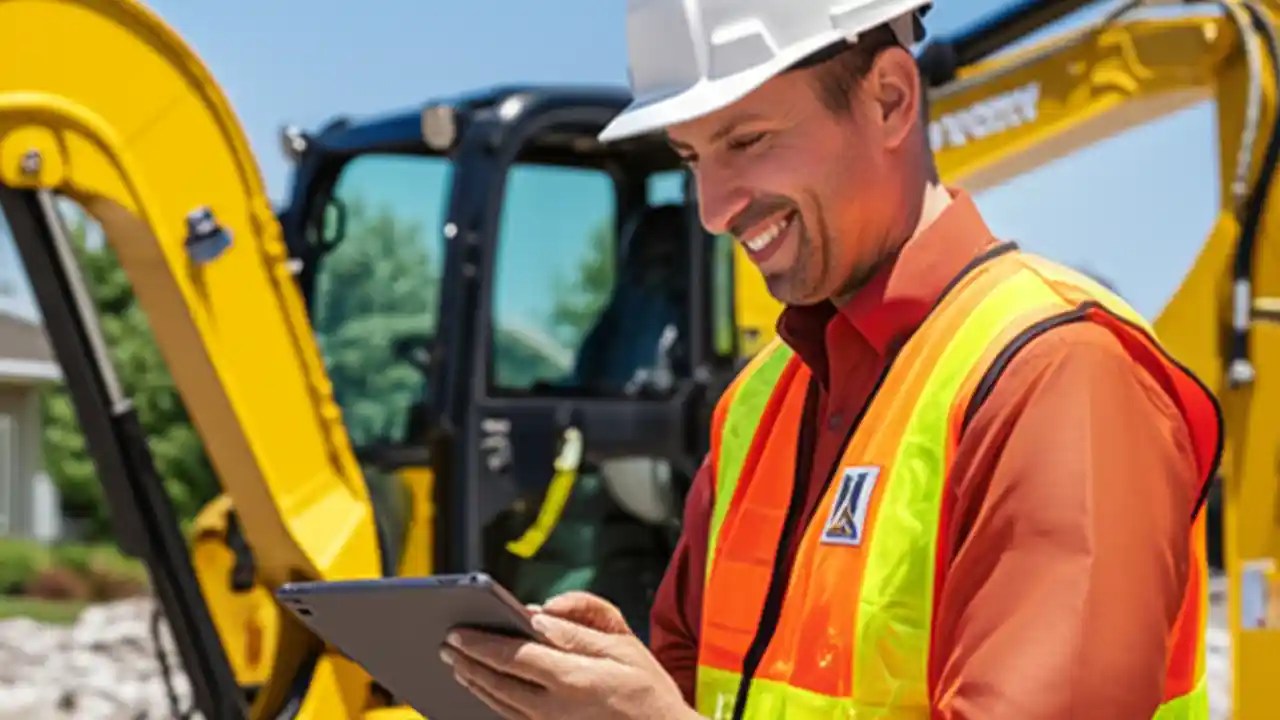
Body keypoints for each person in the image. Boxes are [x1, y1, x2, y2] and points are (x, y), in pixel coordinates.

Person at [439, 1, 1224, 718]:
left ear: (889, 98)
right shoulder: (757, 405)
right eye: (690, 158)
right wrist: (606, 682)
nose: (714, 210)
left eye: (747, 141)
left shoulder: (1058, 376)